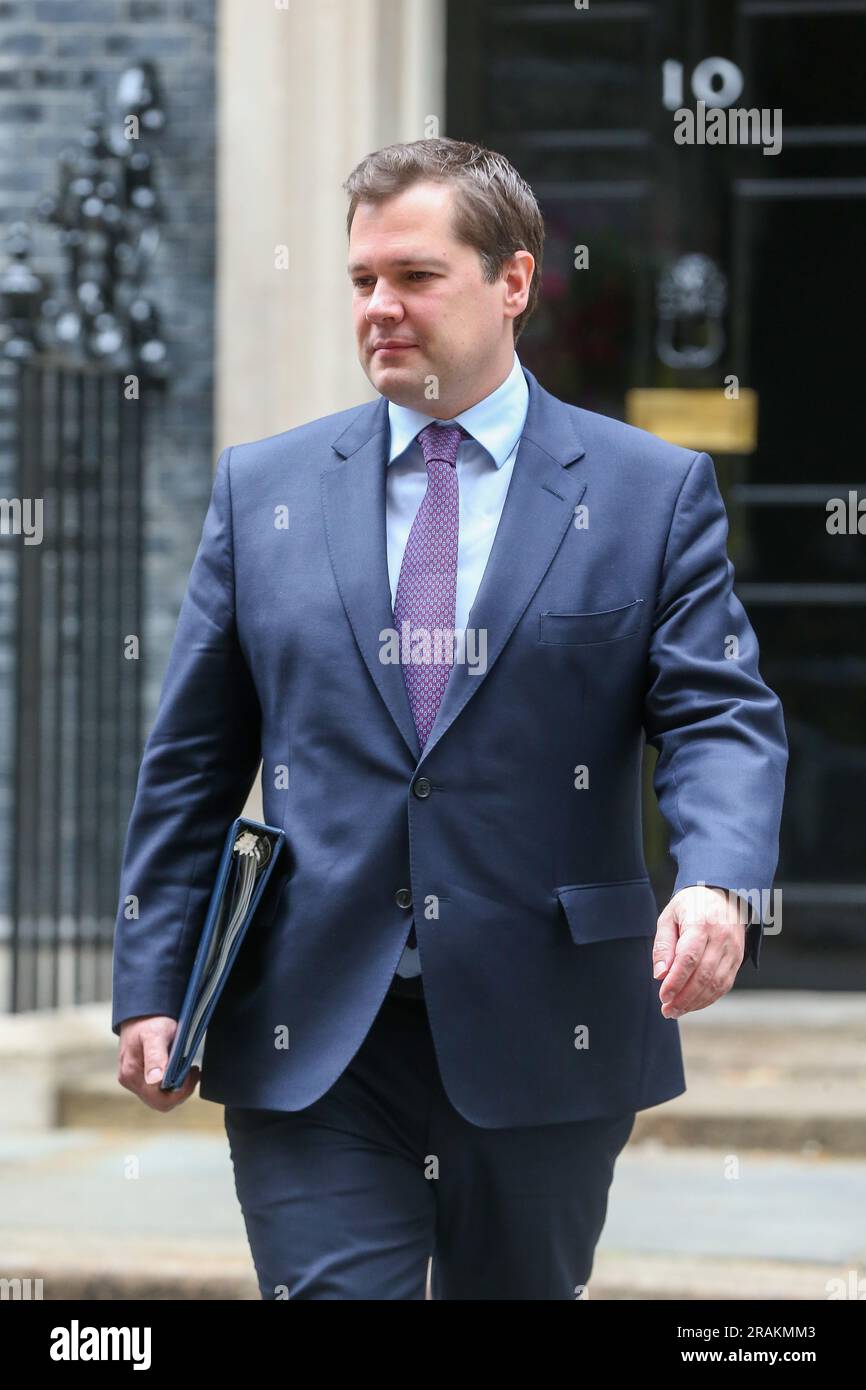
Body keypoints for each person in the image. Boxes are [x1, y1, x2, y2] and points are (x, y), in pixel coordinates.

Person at [112, 137, 788, 1300]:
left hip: (547, 1022)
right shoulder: (261, 491)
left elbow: (718, 711)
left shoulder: (645, 493)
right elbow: (191, 762)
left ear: (511, 282)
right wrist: (153, 977)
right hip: (310, 1025)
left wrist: (717, 878)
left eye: (414, 277)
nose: (379, 307)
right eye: (362, 280)